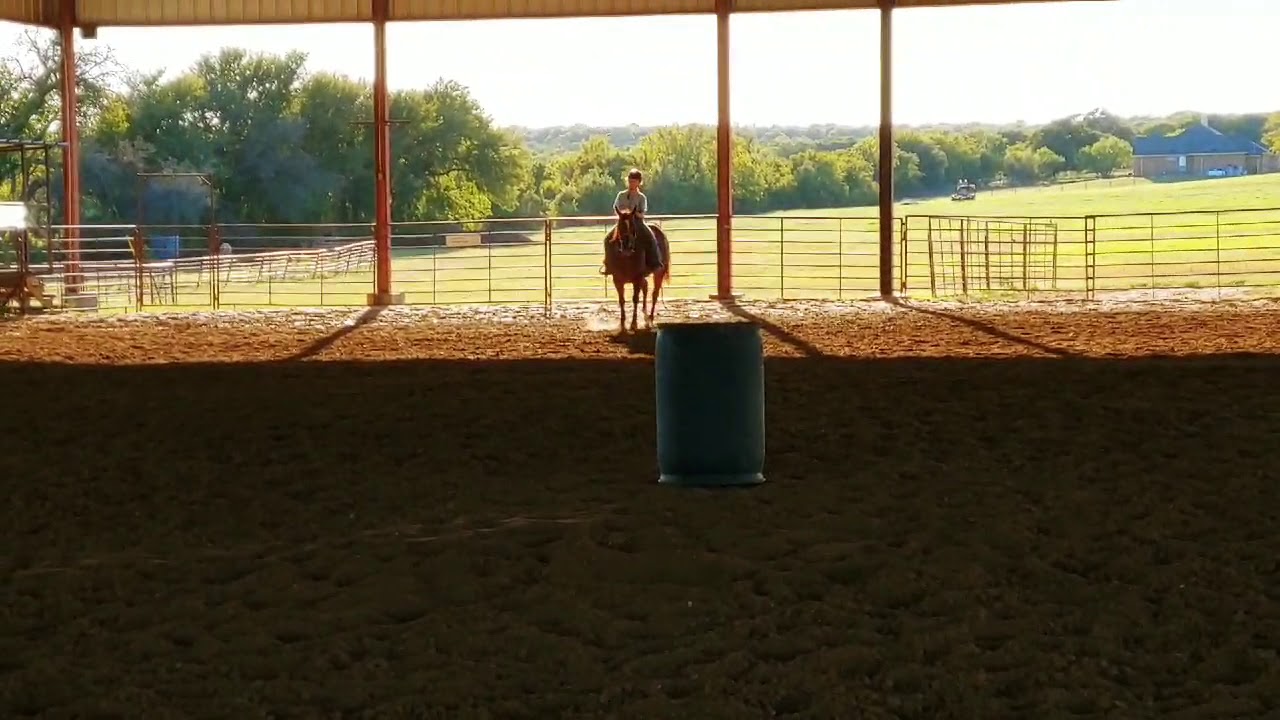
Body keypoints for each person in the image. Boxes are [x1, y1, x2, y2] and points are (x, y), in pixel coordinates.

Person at [608, 168, 664, 274]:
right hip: (623, 222)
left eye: (634, 181)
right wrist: (623, 215)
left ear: (639, 182)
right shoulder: (621, 195)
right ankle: (609, 264)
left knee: (651, 237)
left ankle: (655, 262)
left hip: (637, 222)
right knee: (608, 239)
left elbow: (642, 213)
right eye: (630, 181)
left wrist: (634, 214)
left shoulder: (641, 197)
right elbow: (616, 208)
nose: (631, 184)